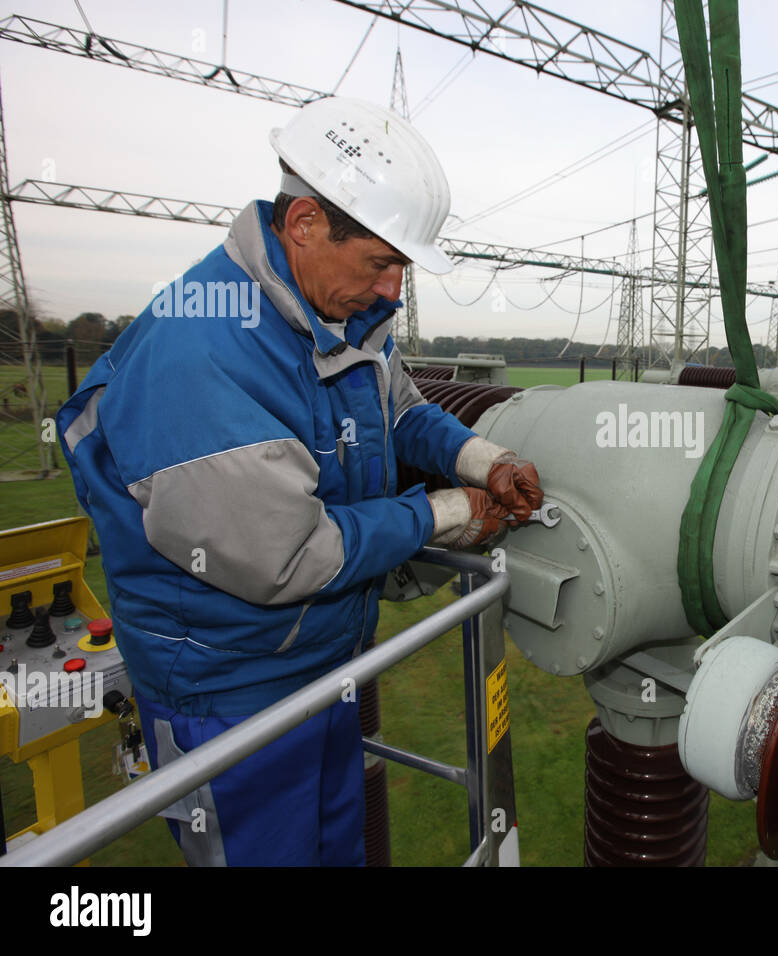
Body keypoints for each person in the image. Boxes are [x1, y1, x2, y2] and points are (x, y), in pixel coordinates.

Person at [56, 96, 543, 866]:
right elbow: (293, 557)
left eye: (400, 268)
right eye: (382, 263)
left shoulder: (339, 313)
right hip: (229, 698)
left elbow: (403, 409)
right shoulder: (199, 354)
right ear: (306, 224)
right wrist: (443, 512)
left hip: (322, 671)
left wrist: (484, 461)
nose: (393, 291)